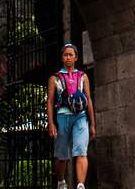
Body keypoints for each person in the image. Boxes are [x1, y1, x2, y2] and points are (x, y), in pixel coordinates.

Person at [47, 44, 94, 189]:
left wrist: (92, 124)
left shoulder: (83, 77)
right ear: (62, 57)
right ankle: (61, 182)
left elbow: (89, 99)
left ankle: (80, 185)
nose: (68, 57)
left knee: (81, 151)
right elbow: (50, 101)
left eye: (71, 55)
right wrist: (51, 123)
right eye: (65, 55)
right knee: (62, 155)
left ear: (76, 57)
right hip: (62, 118)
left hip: (80, 117)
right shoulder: (54, 78)